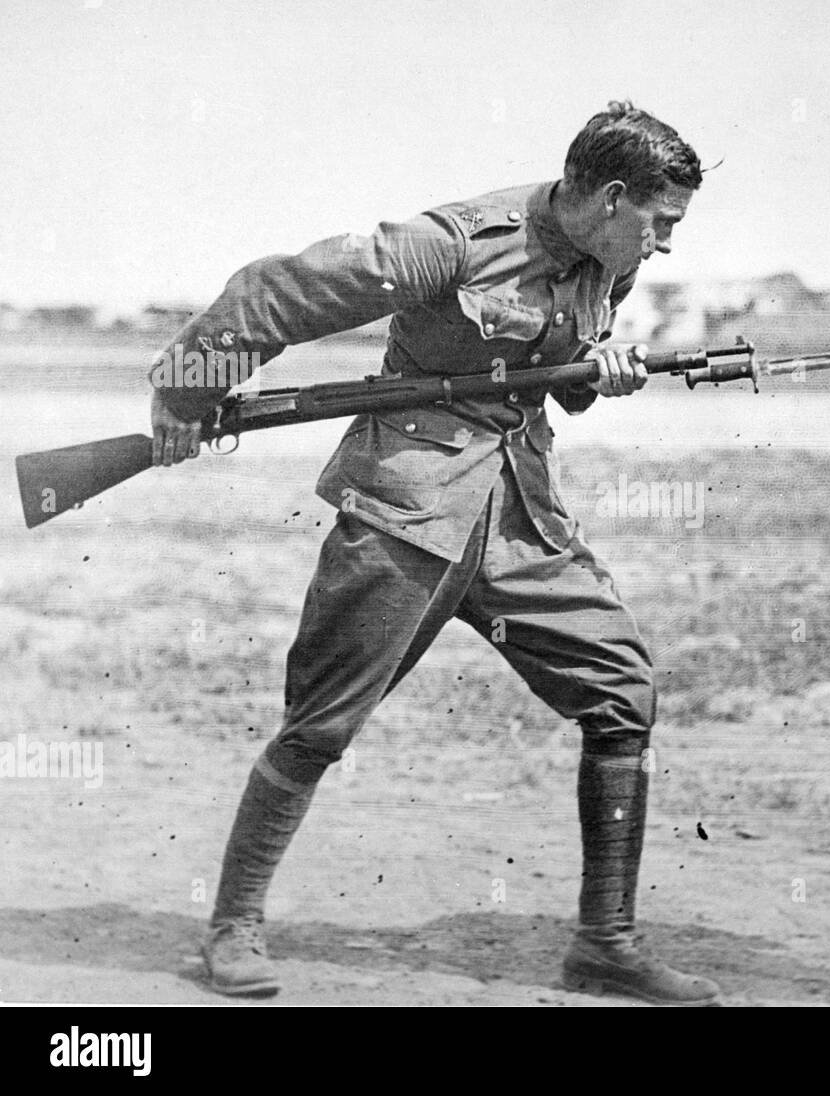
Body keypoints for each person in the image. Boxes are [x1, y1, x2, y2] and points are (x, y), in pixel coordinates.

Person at [149, 101, 720, 1006]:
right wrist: (184, 400)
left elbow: (556, 374)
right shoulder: (451, 242)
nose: (667, 245)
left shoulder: (606, 263)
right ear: (613, 199)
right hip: (404, 511)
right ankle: (233, 927)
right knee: (321, 722)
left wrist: (600, 374)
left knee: (622, 692)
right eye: (662, 223)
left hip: (520, 517)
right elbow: (274, 291)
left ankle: (605, 942)